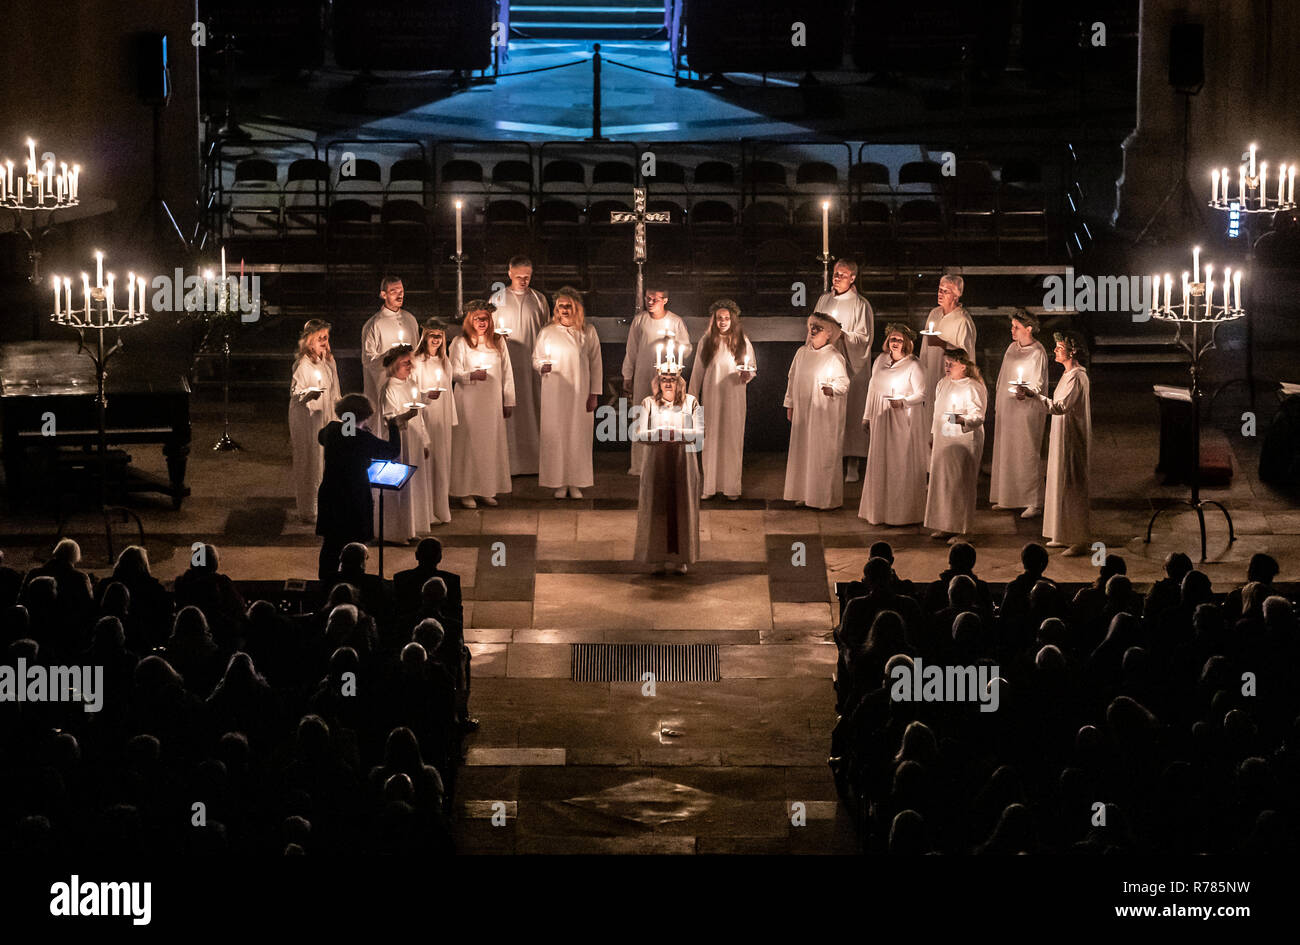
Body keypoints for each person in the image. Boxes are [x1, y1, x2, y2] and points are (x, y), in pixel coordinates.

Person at [316, 393, 401, 584]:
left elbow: (324, 438)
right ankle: (354, 582)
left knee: (331, 544)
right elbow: (392, 451)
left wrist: (356, 430)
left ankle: (325, 583)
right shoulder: (363, 439)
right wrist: (394, 427)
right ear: (364, 416)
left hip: (331, 494)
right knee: (354, 543)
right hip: (354, 498)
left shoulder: (331, 430)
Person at [1019, 332, 1091, 555]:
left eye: (1060, 347)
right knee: (1059, 482)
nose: (1056, 351)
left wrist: (1035, 395)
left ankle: (1078, 539)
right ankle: (1062, 533)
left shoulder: (1078, 377)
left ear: (1073, 351)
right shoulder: (1067, 374)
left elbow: (1060, 407)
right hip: (1062, 434)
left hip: (1072, 437)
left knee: (1071, 484)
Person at [533, 286, 602, 499]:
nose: (564, 309)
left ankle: (576, 481)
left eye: (568, 306)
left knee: (577, 436)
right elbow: (536, 358)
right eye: (560, 306)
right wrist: (540, 367)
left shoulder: (587, 331)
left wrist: (594, 394)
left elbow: (596, 363)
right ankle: (558, 482)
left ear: (576, 307)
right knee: (556, 435)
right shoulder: (547, 332)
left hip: (579, 393)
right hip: (554, 393)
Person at [633, 367, 703, 574]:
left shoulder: (691, 402)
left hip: (683, 462)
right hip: (657, 463)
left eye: (672, 379)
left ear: (679, 381)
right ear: (658, 381)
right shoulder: (649, 403)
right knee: (657, 507)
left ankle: (681, 557)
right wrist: (659, 433)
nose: (668, 383)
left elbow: (699, 433)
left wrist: (678, 433)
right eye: (664, 379)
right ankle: (657, 557)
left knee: (682, 507)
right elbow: (639, 434)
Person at [859, 324, 928, 526]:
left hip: (900, 420)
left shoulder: (914, 365)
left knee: (899, 465)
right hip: (881, 417)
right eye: (891, 339)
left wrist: (903, 402)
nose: (894, 343)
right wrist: (867, 416)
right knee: (880, 462)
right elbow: (872, 388)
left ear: (906, 343)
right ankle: (878, 511)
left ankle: (901, 514)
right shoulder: (880, 360)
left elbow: (922, 394)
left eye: (898, 340)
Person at [688, 298, 756, 500]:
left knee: (732, 439)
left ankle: (731, 488)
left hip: (734, 396)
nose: (723, 322)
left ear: (733, 320)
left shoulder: (742, 341)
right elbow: (697, 373)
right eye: (719, 318)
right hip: (712, 397)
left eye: (726, 318)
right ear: (714, 320)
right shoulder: (706, 341)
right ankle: (709, 486)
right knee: (711, 439)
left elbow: (751, 366)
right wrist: (692, 399)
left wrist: (747, 375)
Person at [449, 301, 515, 509]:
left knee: (489, 445)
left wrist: (508, 399)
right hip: (468, 402)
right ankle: (465, 491)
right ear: (470, 319)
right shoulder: (460, 342)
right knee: (468, 446)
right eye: (477, 318)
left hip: (491, 403)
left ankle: (487, 489)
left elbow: (507, 372)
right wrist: (471, 375)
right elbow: (453, 372)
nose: (481, 322)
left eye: (485, 318)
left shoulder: (498, 342)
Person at [814, 258, 875, 482]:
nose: (837, 277)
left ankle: (853, 462)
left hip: (851, 367)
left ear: (853, 278)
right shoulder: (823, 301)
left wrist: (843, 334)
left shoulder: (861, 305)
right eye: (835, 274)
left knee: (852, 414)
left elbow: (864, 339)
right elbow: (813, 327)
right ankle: (828, 460)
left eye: (842, 274)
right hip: (826, 364)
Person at [488, 256, 548, 478]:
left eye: (527, 277)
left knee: (534, 408)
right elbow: (488, 329)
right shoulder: (498, 298)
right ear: (509, 273)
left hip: (532, 363)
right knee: (509, 410)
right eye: (519, 276)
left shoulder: (539, 299)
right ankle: (510, 464)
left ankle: (535, 461)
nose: (523, 281)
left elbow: (546, 330)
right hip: (508, 363)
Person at [621, 285, 691, 476]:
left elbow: (687, 348)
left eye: (655, 299)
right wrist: (628, 375)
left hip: (667, 377)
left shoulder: (675, 322)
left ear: (665, 300)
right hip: (643, 375)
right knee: (642, 416)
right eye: (648, 299)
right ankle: (639, 465)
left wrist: (674, 344)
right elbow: (631, 350)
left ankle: (664, 462)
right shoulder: (640, 320)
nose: (650, 303)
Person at [784, 313, 851, 509]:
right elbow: (792, 378)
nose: (813, 331)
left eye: (818, 328)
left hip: (824, 415)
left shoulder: (834, 357)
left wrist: (833, 390)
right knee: (804, 451)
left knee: (822, 453)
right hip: (803, 413)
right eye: (811, 326)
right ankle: (804, 493)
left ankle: (824, 498)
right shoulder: (801, 353)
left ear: (828, 334)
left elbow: (844, 383)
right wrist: (790, 404)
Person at [990, 310, 1049, 518]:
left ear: (1029, 329)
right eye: (1012, 326)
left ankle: (1033, 500)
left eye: (1016, 327)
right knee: (1007, 451)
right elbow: (1003, 377)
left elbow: (1039, 382)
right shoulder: (1011, 349)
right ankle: (1008, 497)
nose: (1012, 330)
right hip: (1009, 407)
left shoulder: (1038, 352)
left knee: (1026, 451)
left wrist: (1027, 392)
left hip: (1027, 410)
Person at [925, 348, 987, 542]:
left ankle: (964, 530)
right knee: (943, 484)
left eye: (951, 364)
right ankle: (946, 525)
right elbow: (937, 412)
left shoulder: (973, 387)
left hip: (964, 441)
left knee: (961, 484)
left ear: (963, 365)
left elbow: (978, 416)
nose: (947, 367)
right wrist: (934, 434)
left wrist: (962, 420)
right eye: (945, 363)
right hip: (944, 440)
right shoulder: (942, 384)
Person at [378, 344, 434, 543]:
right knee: (401, 487)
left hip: (415, 442)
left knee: (414, 486)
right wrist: (407, 415)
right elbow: (390, 420)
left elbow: (420, 419)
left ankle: (411, 528)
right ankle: (396, 532)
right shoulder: (389, 388)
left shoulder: (410, 385)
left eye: (410, 362)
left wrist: (425, 441)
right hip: (400, 443)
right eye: (405, 363)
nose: (410, 366)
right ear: (394, 366)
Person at [289, 319, 341, 523]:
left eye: (326, 338)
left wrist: (339, 417)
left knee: (324, 461)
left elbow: (336, 390)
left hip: (324, 417)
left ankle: (325, 505)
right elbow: (296, 394)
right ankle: (309, 510)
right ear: (309, 341)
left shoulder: (328, 362)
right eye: (320, 338)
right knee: (310, 461)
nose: (324, 342)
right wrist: (309, 394)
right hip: (307, 420)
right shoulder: (302, 364)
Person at [361, 277, 419, 442]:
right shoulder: (373, 324)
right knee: (387, 433)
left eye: (401, 291)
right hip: (384, 387)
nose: (399, 295)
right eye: (394, 291)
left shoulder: (410, 320)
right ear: (383, 294)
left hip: (407, 386)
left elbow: (415, 354)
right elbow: (368, 360)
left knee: (410, 434)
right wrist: (389, 355)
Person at [411, 318, 457, 526]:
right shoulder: (416, 361)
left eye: (440, 336)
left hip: (442, 419)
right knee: (429, 464)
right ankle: (427, 511)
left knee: (442, 463)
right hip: (426, 417)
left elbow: (449, 393)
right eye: (433, 335)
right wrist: (427, 395)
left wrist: (451, 418)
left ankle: (441, 509)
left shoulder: (445, 361)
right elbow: (412, 392)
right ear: (425, 337)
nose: (437, 340)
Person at [919, 274, 976, 430]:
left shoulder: (962, 321)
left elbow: (965, 356)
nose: (940, 294)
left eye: (946, 291)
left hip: (949, 380)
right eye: (940, 289)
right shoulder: (934, 314)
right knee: (929, 421)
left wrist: (942, 343)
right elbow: (925, 349)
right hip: (932, 377)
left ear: (957, 295)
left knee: (945, 424)